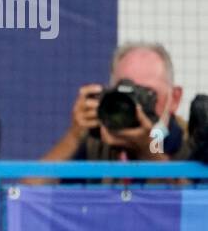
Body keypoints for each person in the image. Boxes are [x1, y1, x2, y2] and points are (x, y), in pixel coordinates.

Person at [42, 43, 192, 164]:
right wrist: (74, 136)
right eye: (126, 94)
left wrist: (149, 151)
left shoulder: (192, 144)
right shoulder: (97, 143)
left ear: (174, 99)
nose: (135, 105)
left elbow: (193, 198)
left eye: (147, 93)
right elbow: (29, 195)